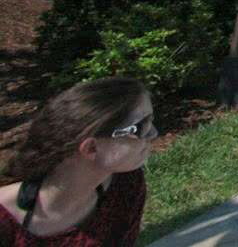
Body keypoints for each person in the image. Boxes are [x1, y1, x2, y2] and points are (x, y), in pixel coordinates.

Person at [1, 77, 153, 244]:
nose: (153, 133)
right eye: (141, 127)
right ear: (91, 149)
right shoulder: (6, 220)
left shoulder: (125, 185)